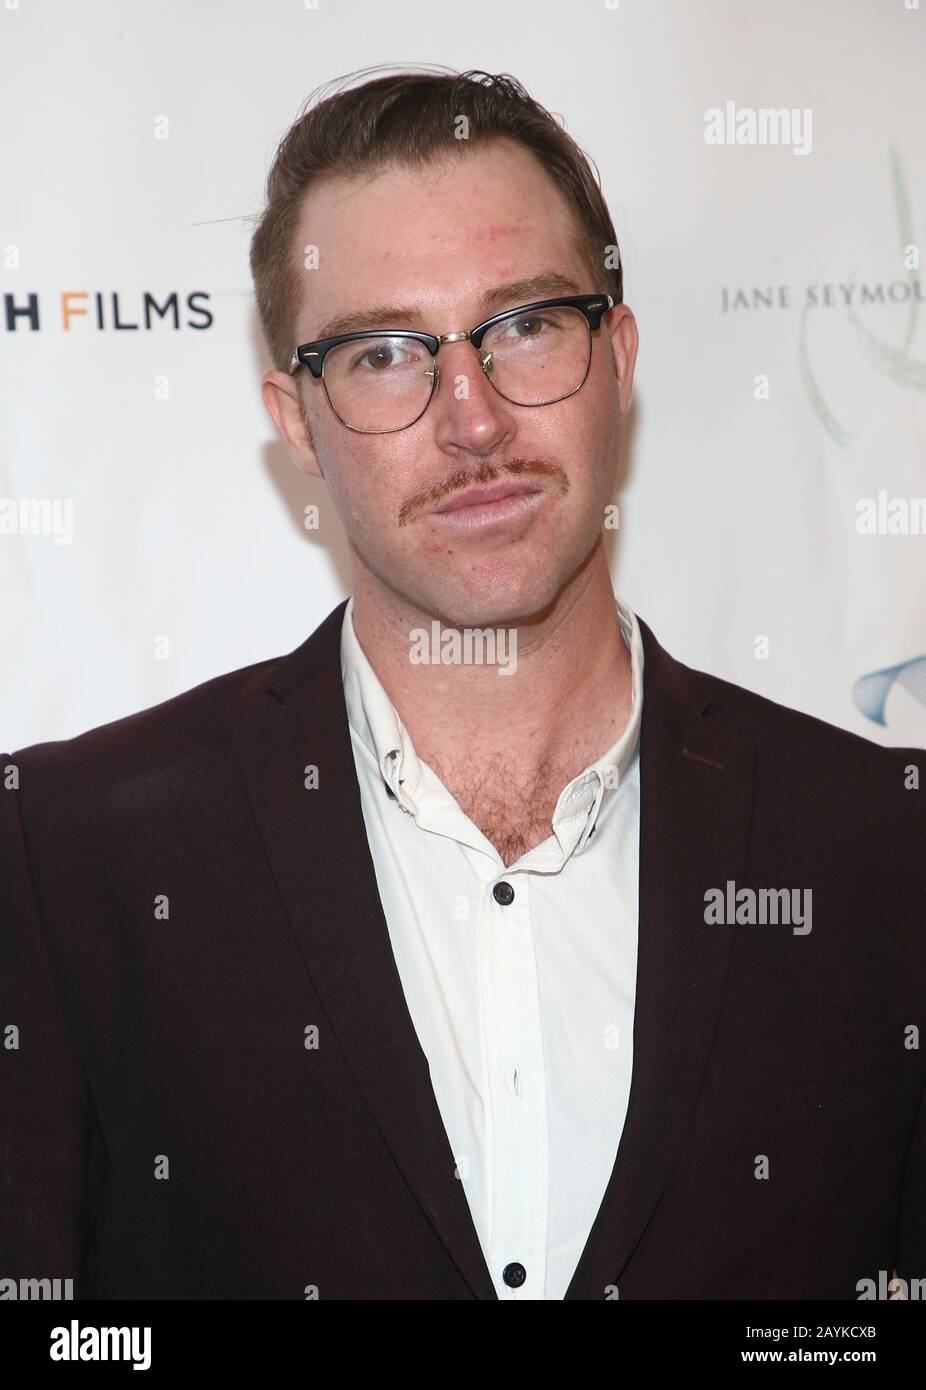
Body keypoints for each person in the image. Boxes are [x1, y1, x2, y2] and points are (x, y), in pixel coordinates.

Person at [2, 66, 923, 1302]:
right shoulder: (70, 856)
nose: (471, 418)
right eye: (385, 353)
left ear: (617, 355)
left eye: (524, 325)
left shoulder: (880, 845)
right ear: (297, 418)